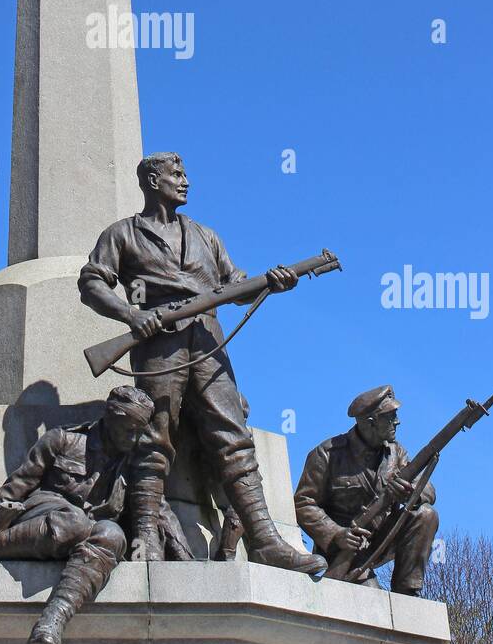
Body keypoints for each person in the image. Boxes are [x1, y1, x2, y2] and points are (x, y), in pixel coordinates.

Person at [77, 152, 323, 575]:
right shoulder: (123, 234)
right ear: (151, 181)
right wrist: (131, 314)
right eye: (176, 174)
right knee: (154, 436)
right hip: (160, 341)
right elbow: (91, 281)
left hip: (209, 339)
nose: (185, 181)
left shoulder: (205, 235)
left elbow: (236, 285)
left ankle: (265, 540)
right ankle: (146, 534)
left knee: (234, 435)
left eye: (185, 174)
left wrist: (272, 284)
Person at [0, 385, 155, 644]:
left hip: (89, 534)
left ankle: (54, 619)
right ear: (110, 418)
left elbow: (156, 511)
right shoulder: (62, 440)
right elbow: (18, 484)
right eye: (129, 430)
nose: (135, 438)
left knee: (113, 534)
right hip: (44, 514)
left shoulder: (135, 464)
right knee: (75, 521)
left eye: (140, 432)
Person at [294, 386, 439, 595]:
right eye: (390, 417)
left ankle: (407, 593)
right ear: (371, 422)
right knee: (371, 599)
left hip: (381, 538)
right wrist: (336, 534)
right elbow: (303, 503)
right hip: (345, 548)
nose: (397, 421)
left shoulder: (396, 453)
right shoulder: (328, 454)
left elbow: (429, 492)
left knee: (426, 514)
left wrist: (408, 491)